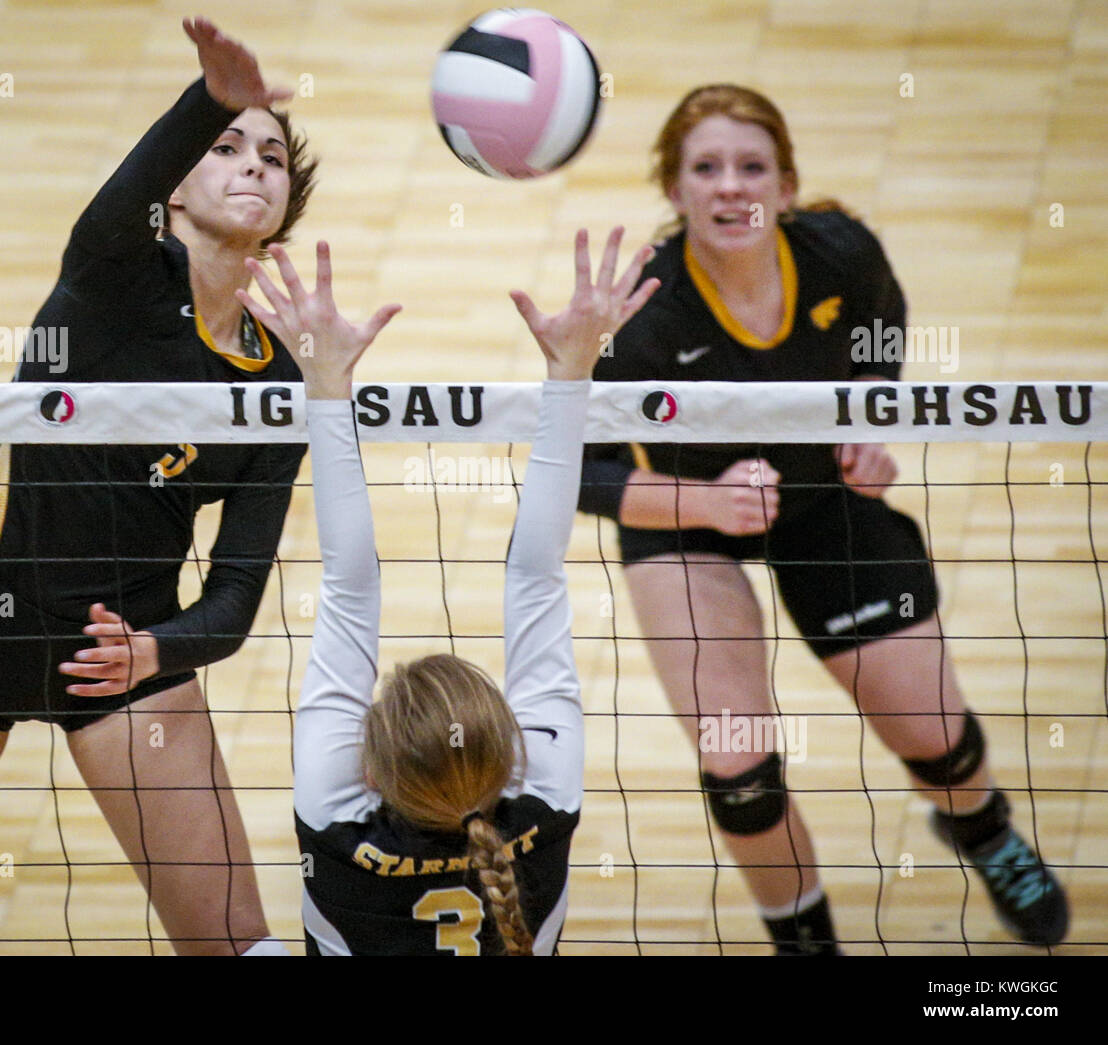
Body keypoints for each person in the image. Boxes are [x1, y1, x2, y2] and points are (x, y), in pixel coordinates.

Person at [0, 17, 313, 956]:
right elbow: (110, 208)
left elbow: (238, 595)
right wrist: (210, 92)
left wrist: (155, 650)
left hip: (117, 648)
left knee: (245, 949)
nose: (253, 164)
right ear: (173, 190)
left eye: (273, 156)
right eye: (226, 146)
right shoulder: (111, 275)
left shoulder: (278, 383)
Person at [578, 84, 1069, 953]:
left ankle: (985, 832)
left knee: (935, 738)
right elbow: (579, 471)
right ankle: (805, 941)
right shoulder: (644, 315)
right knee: (739, 769)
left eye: (751, 167)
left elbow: (885, 334)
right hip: (685, 521)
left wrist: (870, 425)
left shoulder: (842, 256)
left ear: (789, 185)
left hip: (821, 502)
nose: (731, 186)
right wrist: (706, 500)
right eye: (706, 169)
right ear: (674, 190)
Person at [236, 229, 657, 954]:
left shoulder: (545, 795)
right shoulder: (340, 809)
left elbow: (349, 581)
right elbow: (529, 574)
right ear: (512, 749)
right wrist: (571, 372)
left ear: (369, 769)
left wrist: (323, 384)